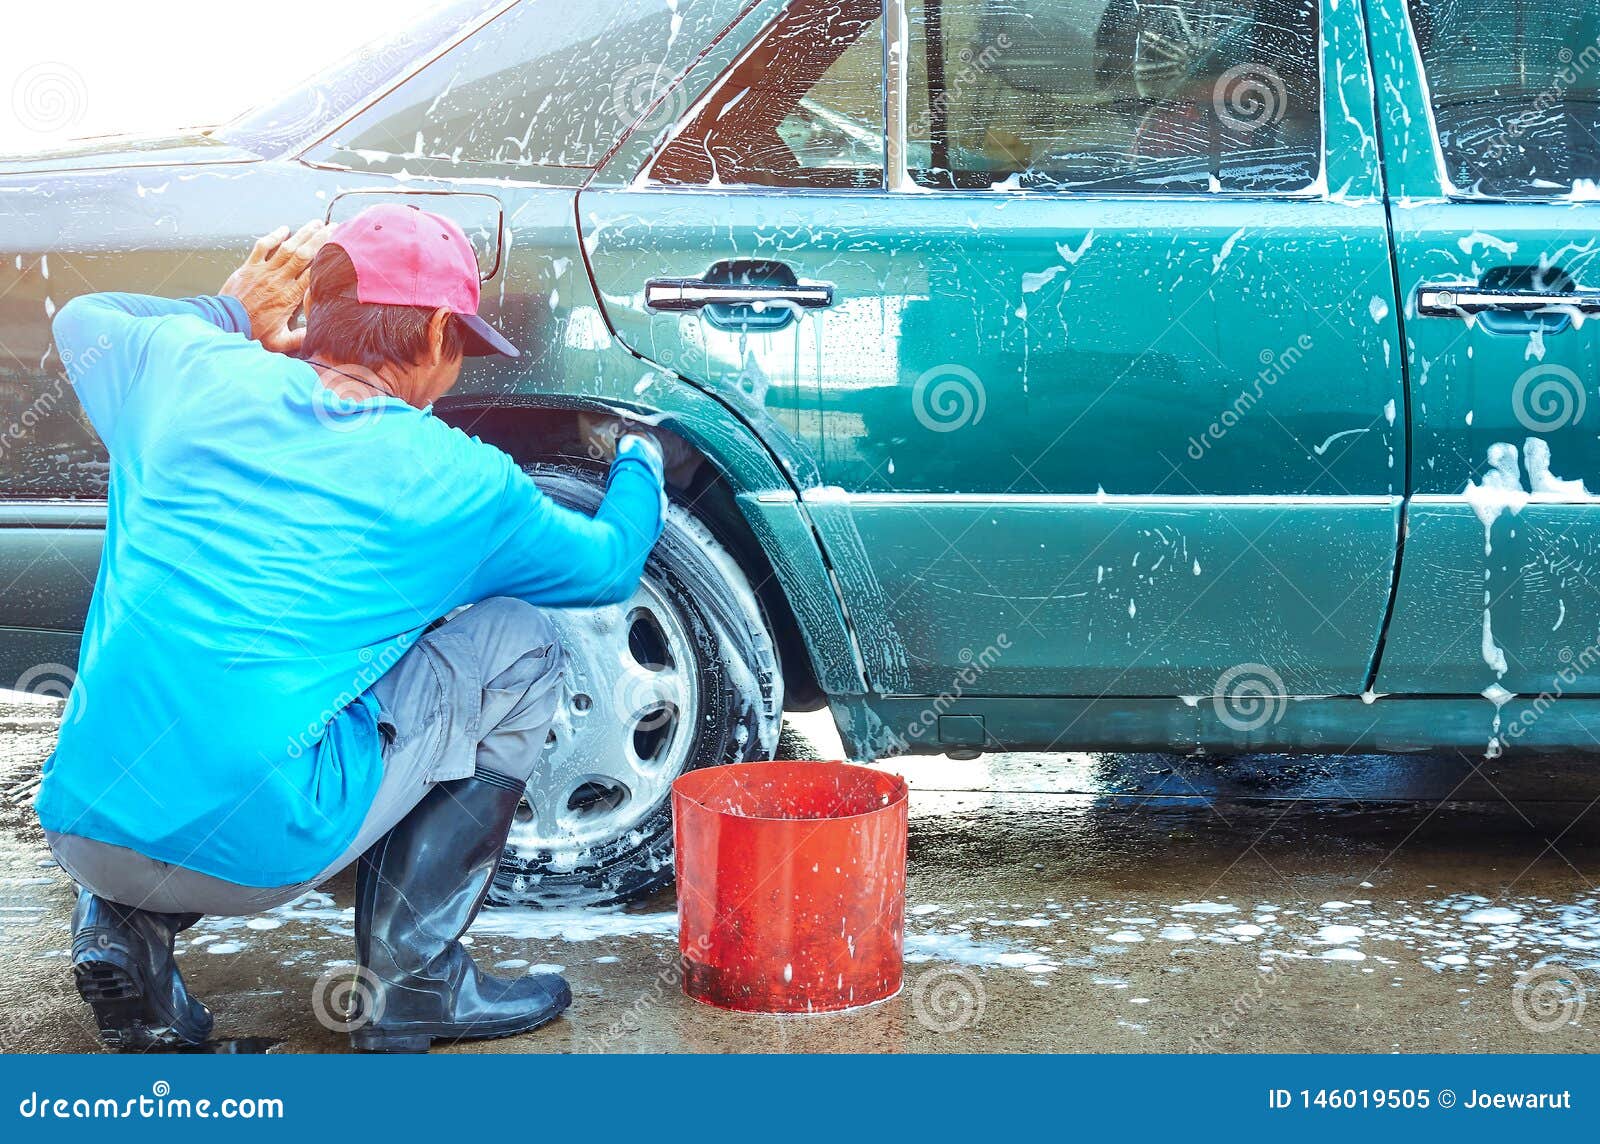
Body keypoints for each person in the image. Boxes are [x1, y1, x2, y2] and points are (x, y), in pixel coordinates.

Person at [35, 204, 666, 1052]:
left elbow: (82, 319)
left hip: (81, 826)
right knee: (517, 642)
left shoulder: (181, 366)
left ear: (314, 310)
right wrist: (640, 460)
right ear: (442, 330)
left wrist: (230, 314)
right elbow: (607, 565)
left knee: (183, 657)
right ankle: (412, 987)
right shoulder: (458, 477)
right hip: (256, 852)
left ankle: (120, 933)